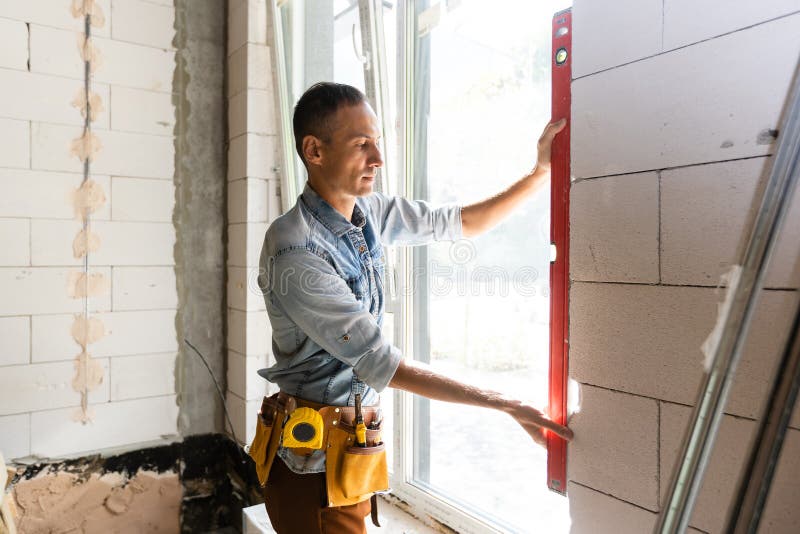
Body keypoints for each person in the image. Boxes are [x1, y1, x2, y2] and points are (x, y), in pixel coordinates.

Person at [256, 81, 571, 533]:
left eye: (377, 142)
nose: (377, 159)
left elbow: (462, 222)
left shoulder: (369, 213)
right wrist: (505, 402)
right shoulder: (295, 249)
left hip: (349, 451)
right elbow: (381, 364)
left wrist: (540, 173)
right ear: (315, 151)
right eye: (361, 144)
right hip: (312, 467)